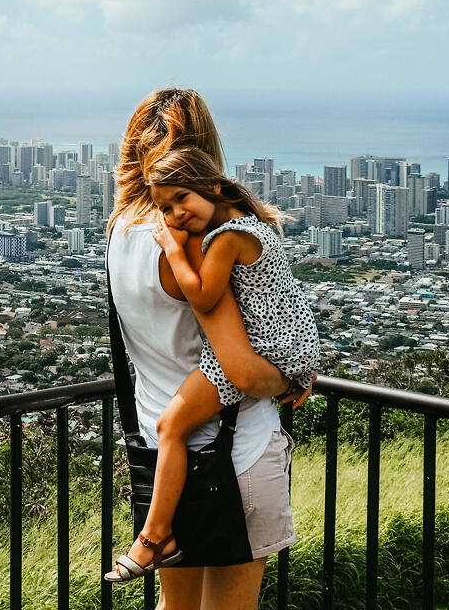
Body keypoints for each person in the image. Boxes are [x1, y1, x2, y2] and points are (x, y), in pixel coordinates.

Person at [103, 88, 314, 609]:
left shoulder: (121, 231)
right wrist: (291, 378)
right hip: (232, 458)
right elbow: (242, 371)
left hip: (163, 463)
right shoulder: (196, 240)